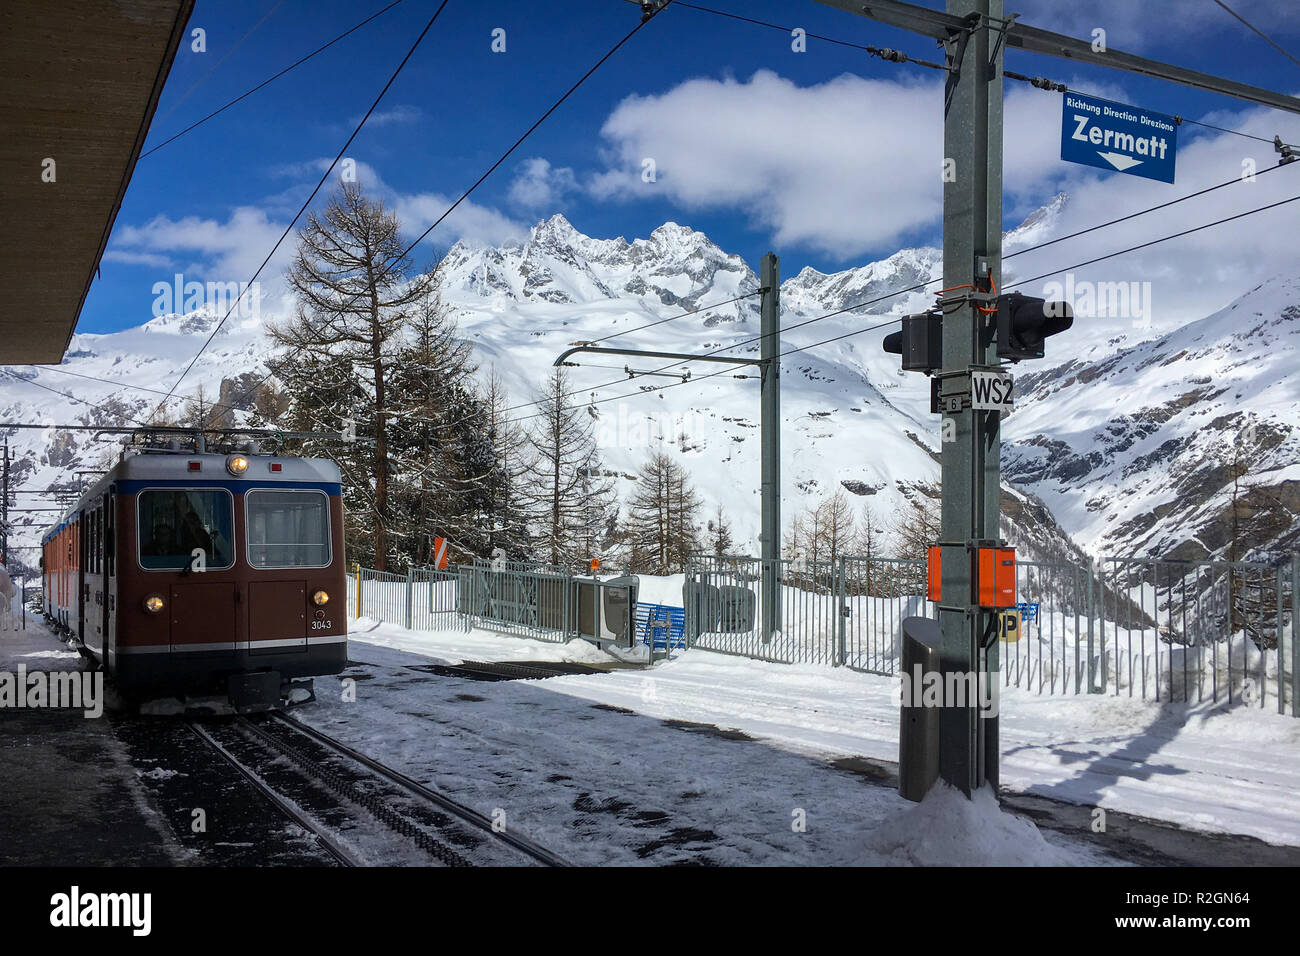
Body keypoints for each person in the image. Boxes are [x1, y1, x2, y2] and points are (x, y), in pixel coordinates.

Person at [0, 561, 15, 631]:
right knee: (5, 610)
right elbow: (13, 593)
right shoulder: (5, 573)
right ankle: (4, 627)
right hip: (5, 597)